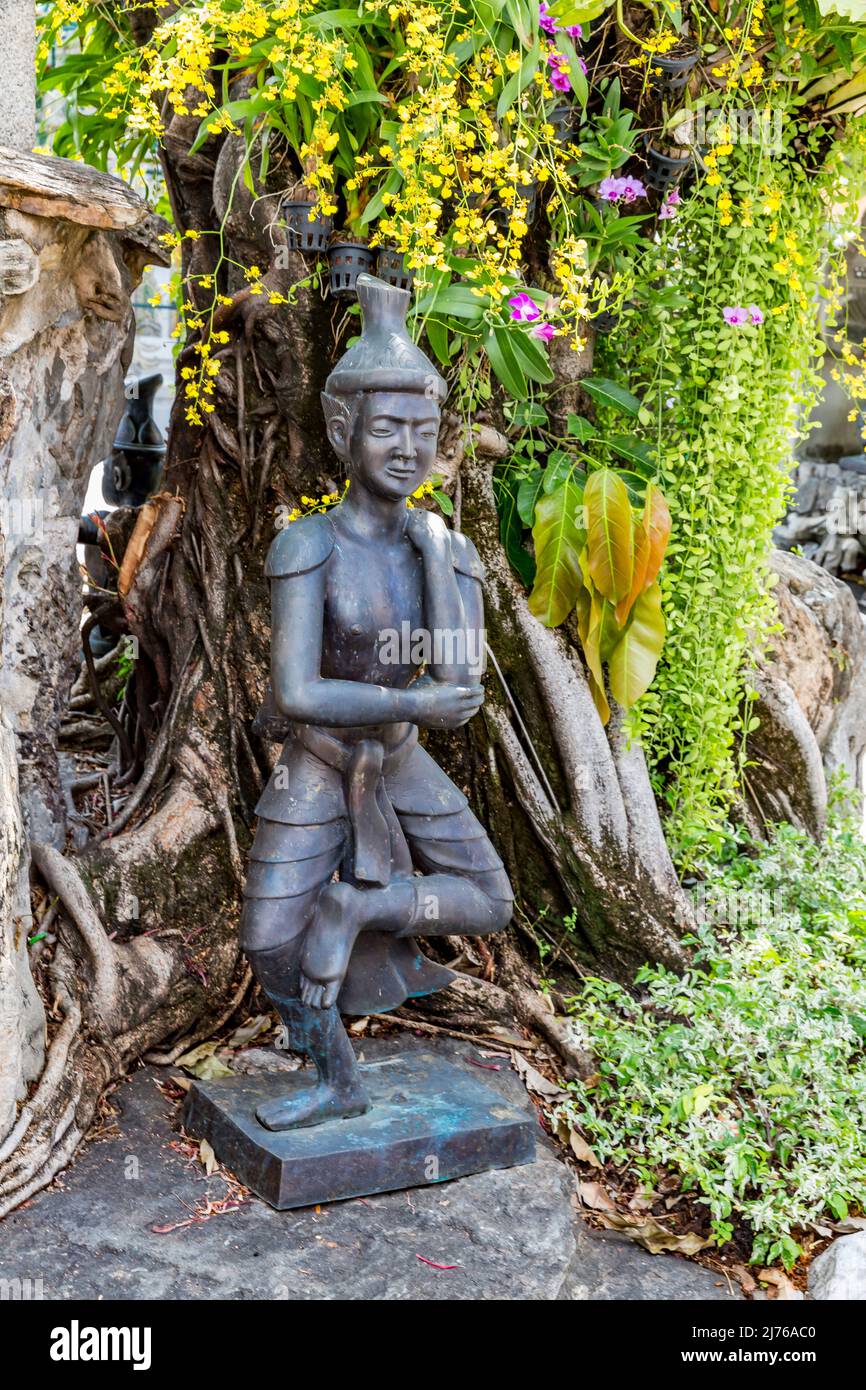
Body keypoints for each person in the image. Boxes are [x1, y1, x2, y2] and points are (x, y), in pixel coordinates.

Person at [241, 274, 513, 1131]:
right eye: (388, 427)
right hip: (319, 762)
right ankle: (335, 1075)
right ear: (340, 428)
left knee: (486, 896)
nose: (407, 448)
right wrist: (420, 707)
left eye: (425, 432)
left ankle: (359, 904)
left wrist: (438, 559)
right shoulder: (308, 546)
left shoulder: (447, 548)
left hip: (399, 757)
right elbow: (296, 691)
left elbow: (458, 684)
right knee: (267, 939)